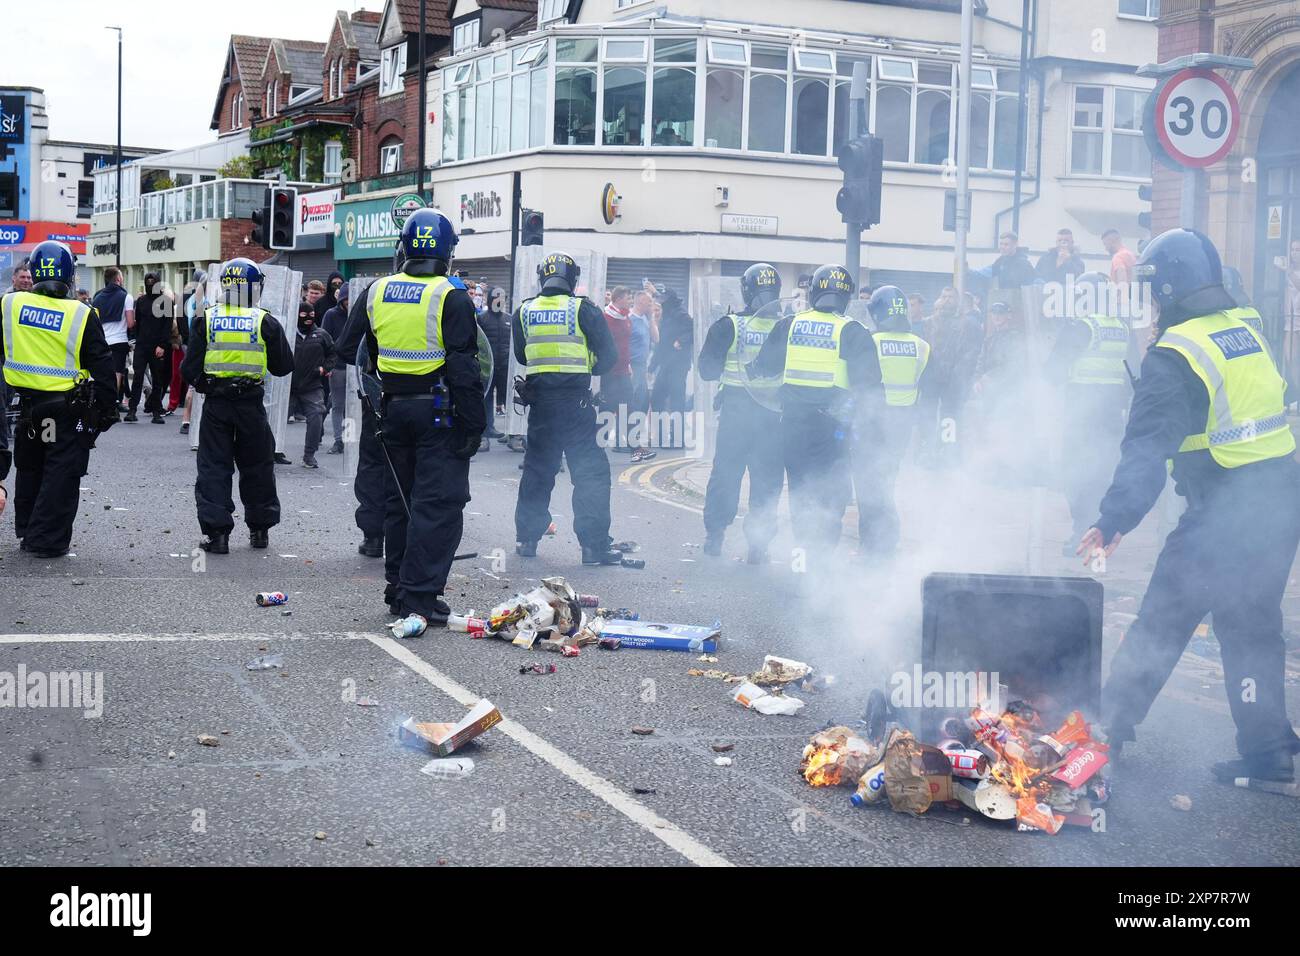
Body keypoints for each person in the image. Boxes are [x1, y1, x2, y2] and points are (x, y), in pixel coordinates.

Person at [1078, 228, 1300, 784]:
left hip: (1223, 510)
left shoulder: (1175, 356)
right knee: (1251, 625)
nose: (1150, 303)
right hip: (1277, 502)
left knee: (1163, 617)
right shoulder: (1245, 325)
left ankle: (1106, 730)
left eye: (1153, 291)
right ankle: (1269, 753)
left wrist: (1113, 520)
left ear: (1170, 287)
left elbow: (1146, 448)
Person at [364, 208, 484, 621]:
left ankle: (398, 586)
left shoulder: (377, 291)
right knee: (438, 505)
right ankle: (418, 597)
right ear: (448, 252)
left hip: (393, 408)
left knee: (400, 501)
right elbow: (465, 368)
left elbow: (354, 351)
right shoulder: (451, 296)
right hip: (438, 412)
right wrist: (474, 425)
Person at [751, 264, 881, 579]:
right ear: (847, 296)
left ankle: (805, 553)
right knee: (832, 488)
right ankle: (824, 554)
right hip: (832, 426)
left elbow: (763, 367)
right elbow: (870, 382)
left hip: (793, 424)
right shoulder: (853, 330)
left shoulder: (789, 324)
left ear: (814, 292)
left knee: (800, 487)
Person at [0, 240, 117, 557]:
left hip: (27, 408)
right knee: (60, 472)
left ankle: (27, 529)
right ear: (69, 275)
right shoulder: (80, 313)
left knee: (30, 467)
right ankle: (45, 540)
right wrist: (107, 410)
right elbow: (103, 366)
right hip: (64, 410)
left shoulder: (10, 305)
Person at [513, 252, 623, 565]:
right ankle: (593, 547)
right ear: (572, 279)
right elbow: (609, 357)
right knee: (590, 475)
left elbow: (522, 356)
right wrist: (587, 363)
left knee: (537, 472)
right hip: (576, 406)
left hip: (541, 407)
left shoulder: (525, 311)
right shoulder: (584, 309)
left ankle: (527, 540)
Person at [181, 258, 294, 554]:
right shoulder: (264, 321)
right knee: (257, 466)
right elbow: (284, 367)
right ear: (254, 287)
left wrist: (209, 384)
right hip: (250, 405)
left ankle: (217, 536)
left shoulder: (206, 319)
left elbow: (189, 370)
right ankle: (260, 530)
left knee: (213, 468)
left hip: (217, 404)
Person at [697, 263, 784, 563]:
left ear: (746, 290)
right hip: (773, 415)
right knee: (767, 480)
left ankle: (715, 536)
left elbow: (707, 371)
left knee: (726, 474)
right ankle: (759, 547)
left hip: (736, 412)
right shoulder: (788, 326)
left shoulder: (730, 325)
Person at [1047, 271, 1131, 552]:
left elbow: (1052, 370)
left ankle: (1083, 534)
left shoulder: (1081, 327)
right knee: (1104, 473)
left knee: (1077, 473)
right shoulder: (1121, 326)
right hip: (1111, 412)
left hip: (1082, 412)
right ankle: (1103, 531)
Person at [853, 285, 930, 562]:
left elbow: (858, 382)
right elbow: (927, 387)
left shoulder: (869, 341)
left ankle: (870, 546)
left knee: (866, 484)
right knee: (886, 482)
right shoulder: (921, 346)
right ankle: (888, 540)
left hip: (873, 421)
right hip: (902, 423)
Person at [334, 278, 386, 558]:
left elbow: (346, 348)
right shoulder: (448, 291)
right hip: (433, 401)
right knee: (423, 469)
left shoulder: (376, 292)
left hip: (381, 396)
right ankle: (417, 538)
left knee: (375, 465)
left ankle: (374, 537)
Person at [290, 300, 336, 469]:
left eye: (311, 315)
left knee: (317, 415)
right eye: (303, 315)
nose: (308, 318)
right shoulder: (287, 332)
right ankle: (270, 452)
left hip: (312, 385)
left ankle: (309, 455)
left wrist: (326, 368)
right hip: (288, 386)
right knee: (271, 419)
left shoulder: (321, 334)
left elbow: (332, 353)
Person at [125, 273, 173, 424]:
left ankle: (156, 411)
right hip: (142, 345)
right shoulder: (141, 301)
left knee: (158, 379)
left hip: (157, 346)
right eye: (148, 283)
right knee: (138, 377)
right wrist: (136, 340)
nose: (151, 286)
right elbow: (138, 322)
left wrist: (162, 345)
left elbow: (167, 325)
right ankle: (132, 410)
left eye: (153, 283)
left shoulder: (166, 302)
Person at [649, 287, 694, 449]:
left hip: (678, 366)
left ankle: (677, 440)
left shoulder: (680, 314)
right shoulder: (667, 315)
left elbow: (695, 330)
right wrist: (652, 366)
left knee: (676, 403)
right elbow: (662, 345)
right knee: (656, 399)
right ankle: (662, 436)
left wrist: (681, 341)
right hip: (666, 365)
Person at [92, 266, 135, 410]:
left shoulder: (97, 298)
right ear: (117, 279)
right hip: (119, 340)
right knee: (117, 374)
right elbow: (130, 323)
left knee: (104, 374)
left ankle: (102, 402)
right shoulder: (126, 297)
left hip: (103, 340)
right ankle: (112, 404)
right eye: (122, 277)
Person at [599, 286, 635, 453]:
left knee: (628, 406)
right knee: (607, 407)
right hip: (610, 372)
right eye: (628, 298)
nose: (630, 301)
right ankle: (600, 443)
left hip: (624, 371)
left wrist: (628, 365)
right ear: (619, 298)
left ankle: (627, 442)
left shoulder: (626, 317)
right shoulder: (606, 317)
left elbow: (625, 345)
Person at [477, 285, 511, 447]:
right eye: (496, 297)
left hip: (505, 366)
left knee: (509, 399)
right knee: (486, 398)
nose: (499, 300)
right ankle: (486, 429)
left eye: (502, 297)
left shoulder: (508, 319)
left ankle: (512, 432)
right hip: (487, 367)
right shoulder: (481, 319)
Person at [321, 281, 351, 454]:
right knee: (338, 405)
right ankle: (339, 441)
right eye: (345, 300)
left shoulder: (356, 313)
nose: (348, 303)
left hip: (353, 367)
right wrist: (328, 365)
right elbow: (325, 340)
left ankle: (349, 439)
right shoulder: (331, 315)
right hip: (338, 366)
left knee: (351, 407)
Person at [627, 289, 657, 461]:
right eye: (649, 303)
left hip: (642, 367)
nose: (651, 306)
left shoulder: (645, 319)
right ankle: (634, 446)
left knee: (643, 404)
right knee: (636, 404)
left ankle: (635, 443)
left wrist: (652, 317)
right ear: (640, 302)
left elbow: (656, 338)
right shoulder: (630, 320)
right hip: (633, 367)